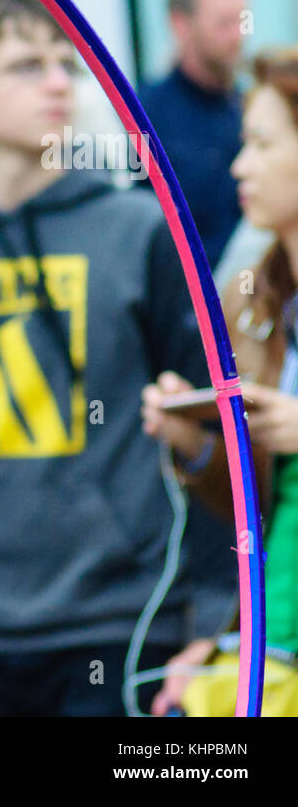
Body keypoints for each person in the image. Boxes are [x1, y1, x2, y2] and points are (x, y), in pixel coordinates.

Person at [0, 0, 235, 717]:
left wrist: (213, 623)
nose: (59, 81)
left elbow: (212, 432)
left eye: (65, 64)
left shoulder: (141, 231)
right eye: (26, 66)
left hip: (126, 624)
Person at [143, 48, 298, 714]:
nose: (239, 167)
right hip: (270, 648)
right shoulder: (253, 301)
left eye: (262, 145)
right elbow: (253, 506)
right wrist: (196, 441)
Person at [137, 0, 247, 269]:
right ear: (181, 24)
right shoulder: (144, 118)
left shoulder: (251, 110)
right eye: (223, 23)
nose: (238, 35)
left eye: (242, 20)